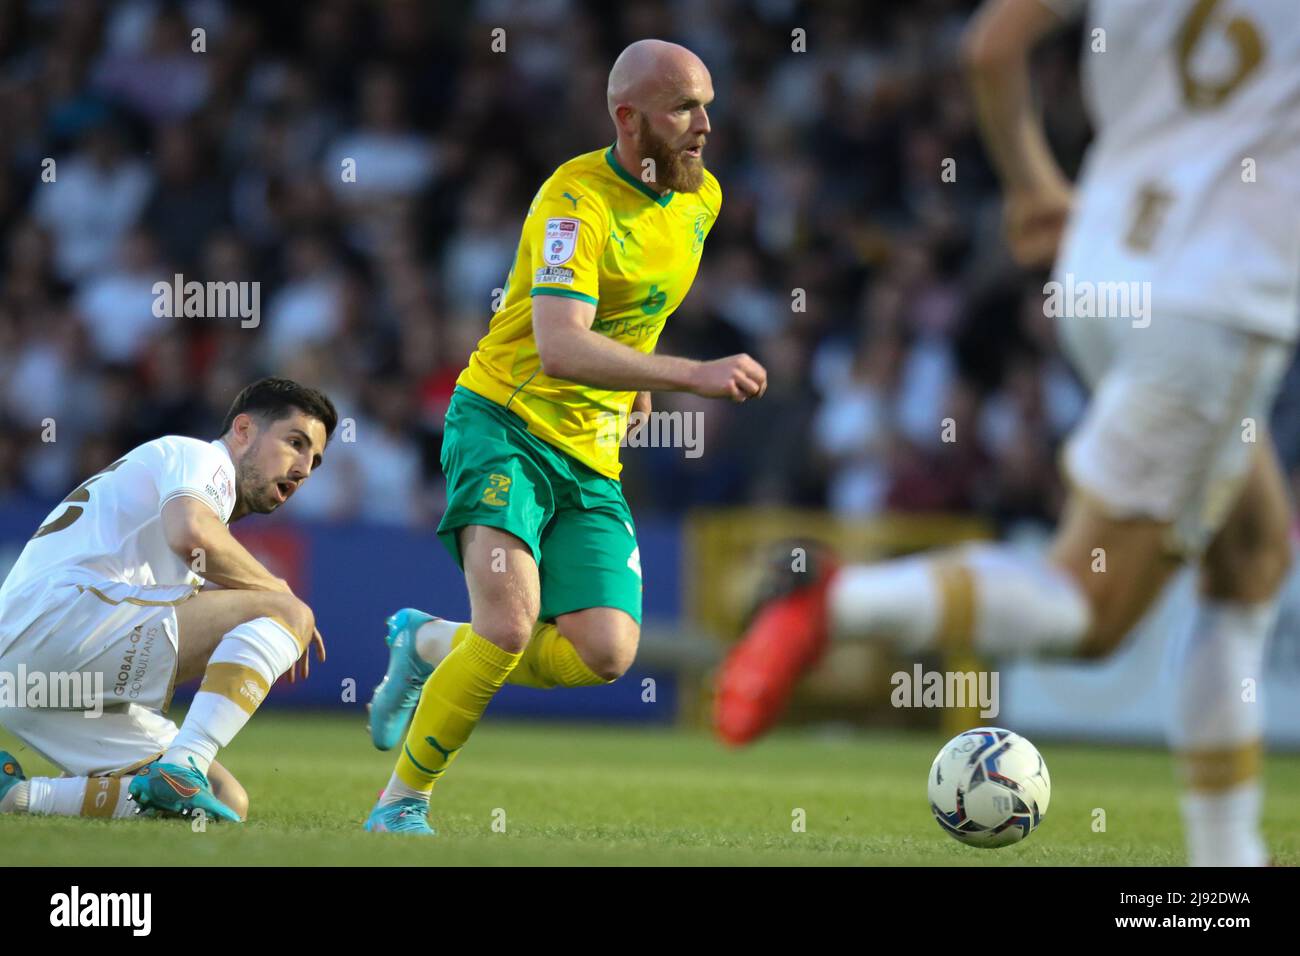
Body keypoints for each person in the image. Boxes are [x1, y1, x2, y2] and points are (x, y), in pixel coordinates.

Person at [715, 0, 1300, 867]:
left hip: (1102, 264)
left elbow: (992, 46)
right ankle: (834, 601)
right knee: (1095, 611)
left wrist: (1031, 181)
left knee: (1251, 561)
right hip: (1211, 304)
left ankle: (1229, 872)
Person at [362, 38, 768, 834]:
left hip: (591, 450)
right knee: (510, 625)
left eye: (708, 104)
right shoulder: (572, 203)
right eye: (685, 107)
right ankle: (401, 804)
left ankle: (430, 641)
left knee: (606, 652)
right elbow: (559, 343)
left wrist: (639, 372)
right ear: (628, 118)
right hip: (504, 423)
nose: (705, 125)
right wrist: (686, 376)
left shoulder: (702, 199)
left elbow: (640, 301)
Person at [0, 378, 335, 823]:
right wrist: (280, 596)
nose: (304, 468)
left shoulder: (195, 493)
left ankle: (20, 796)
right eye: (295, 443)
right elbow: (189, 533)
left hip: (31, 677)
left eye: (314, 460)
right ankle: (183, 764)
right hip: (62, 621)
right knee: (290, 611)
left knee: (223, 800)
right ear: (243, 430)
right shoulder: (199, 457)